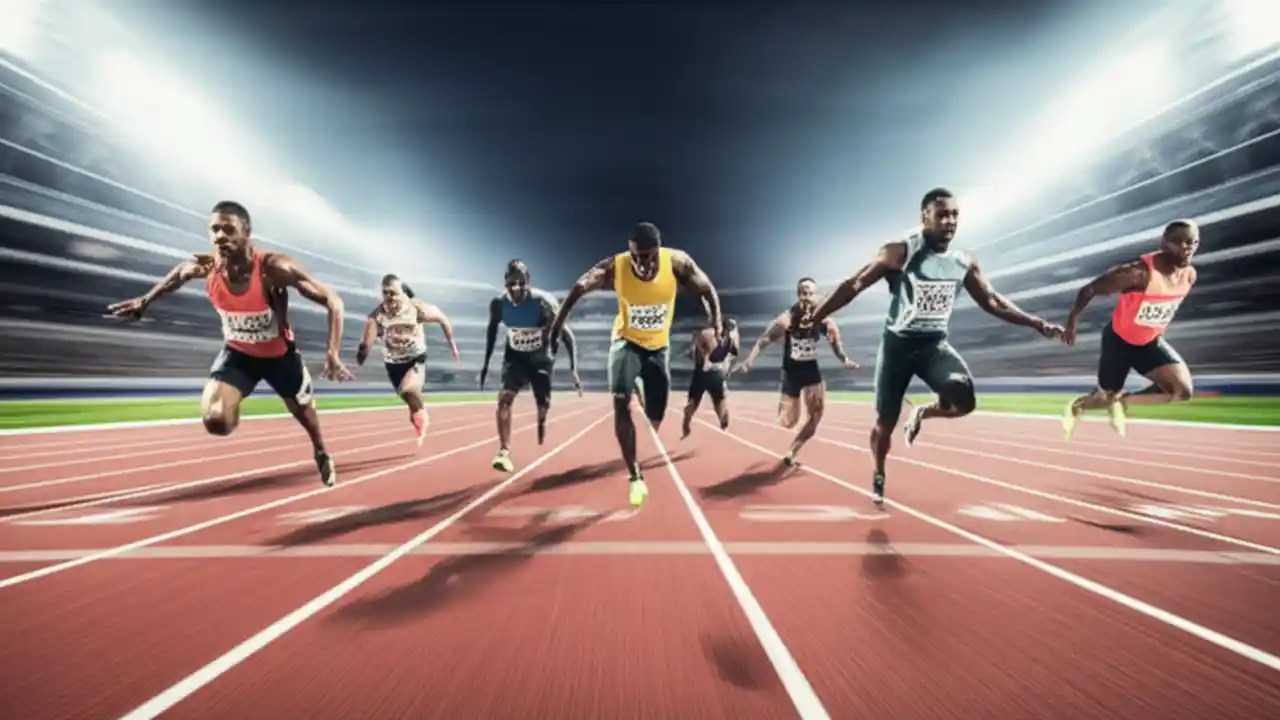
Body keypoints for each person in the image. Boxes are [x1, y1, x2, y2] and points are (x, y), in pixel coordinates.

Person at [811, 187, 1063, 504]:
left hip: (933, 347)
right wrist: (816, 317)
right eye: (942, 214)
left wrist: (1036, 323)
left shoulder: (963, 261)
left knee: (965, 399)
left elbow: (993, 302)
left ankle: (923, 412)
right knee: (885, 423)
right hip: (897, 349)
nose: (949, 221)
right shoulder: (899, 253)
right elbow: (854, 284)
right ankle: (878, 470)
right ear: (924, 216)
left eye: (954, 215)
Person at [107, 200, 353, 486]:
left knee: (305, 414)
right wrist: (145, 301)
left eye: (228, 229)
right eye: (214, 229)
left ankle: (321, 451)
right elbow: (180, 272)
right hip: (238, 354)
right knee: (216, 421)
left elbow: (333, 301)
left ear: (246, 232)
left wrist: (332, 353)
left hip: (279, 357)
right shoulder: (207, 267)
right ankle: (238, 401)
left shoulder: (273, 268)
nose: (220, 236)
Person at [547, 221, 721, 507]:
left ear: (658, 250)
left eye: (648, 257)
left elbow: (707, 290)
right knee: (621, 404)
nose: (642, 264)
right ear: (631, 253)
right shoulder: (616, 267)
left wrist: (716, 326)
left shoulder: (676, 263)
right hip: (625, 343)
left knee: (656, 414)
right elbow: (579, 288)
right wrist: (556, 330)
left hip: (657, 348)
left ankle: (641, 387)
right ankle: (635, 476)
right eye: (636, 257)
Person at [1061, 220, 1200, 440]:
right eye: (1178, 242)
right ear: (1164, 243)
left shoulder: (1189, 276)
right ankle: (1078, 405)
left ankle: (1121, 401)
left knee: (1182, 392)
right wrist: (1072, 321)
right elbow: (1090, 289)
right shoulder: (1137, 273)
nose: (1186, 247)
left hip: (1149, 343)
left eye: (1192, 242)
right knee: (1101, 400)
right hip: (1118, 341)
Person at [735, 278, 858, 466]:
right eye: (803, 293)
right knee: (788, 422)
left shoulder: (822, 318)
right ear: (798, 294)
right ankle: (786, 411)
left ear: (815, 295)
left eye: (811, 293)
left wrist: (844, 359)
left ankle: (792, 451)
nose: (807, 297)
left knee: (816, 415)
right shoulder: (786, 319)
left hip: (810, 371)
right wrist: (748, 362)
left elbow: (835, 343)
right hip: (791, 372)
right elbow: (763, 340)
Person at [479, 259, 581, 472]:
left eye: (521, 283)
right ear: (504, 282)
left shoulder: (544, 303)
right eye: (511, 283)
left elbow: (566, 335)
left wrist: (573, 369)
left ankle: (542, 419)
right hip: (515, 357)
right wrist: (486, 364)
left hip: (540, 359)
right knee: (504, 399)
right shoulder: (498, 305)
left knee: (542, 404)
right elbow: (491, 332)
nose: (516, 288)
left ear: (529, 282)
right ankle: (504, 451)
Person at [356, 274, 459, 447]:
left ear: (402, 293)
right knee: (411, 405)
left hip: (415, 359)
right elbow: (366, 344)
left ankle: (423, 412)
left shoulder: (416, 308)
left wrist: (452, 344)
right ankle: (419, 415)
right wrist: (360, 356)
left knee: (409, 389)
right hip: (393, 364)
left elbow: (442, 318)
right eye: (385, 293)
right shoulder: (376, 316)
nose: (389, 297)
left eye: (393, 293)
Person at [680, 317, 740, 438]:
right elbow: (734, 358)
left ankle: (688, 416)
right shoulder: (733, 339)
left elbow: (693, 351)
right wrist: (727, 372)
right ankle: (722, 417)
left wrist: (692, 354)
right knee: (719, 400)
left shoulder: (706, 333)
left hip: (700, 372)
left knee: (694, 400)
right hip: (717, 372)